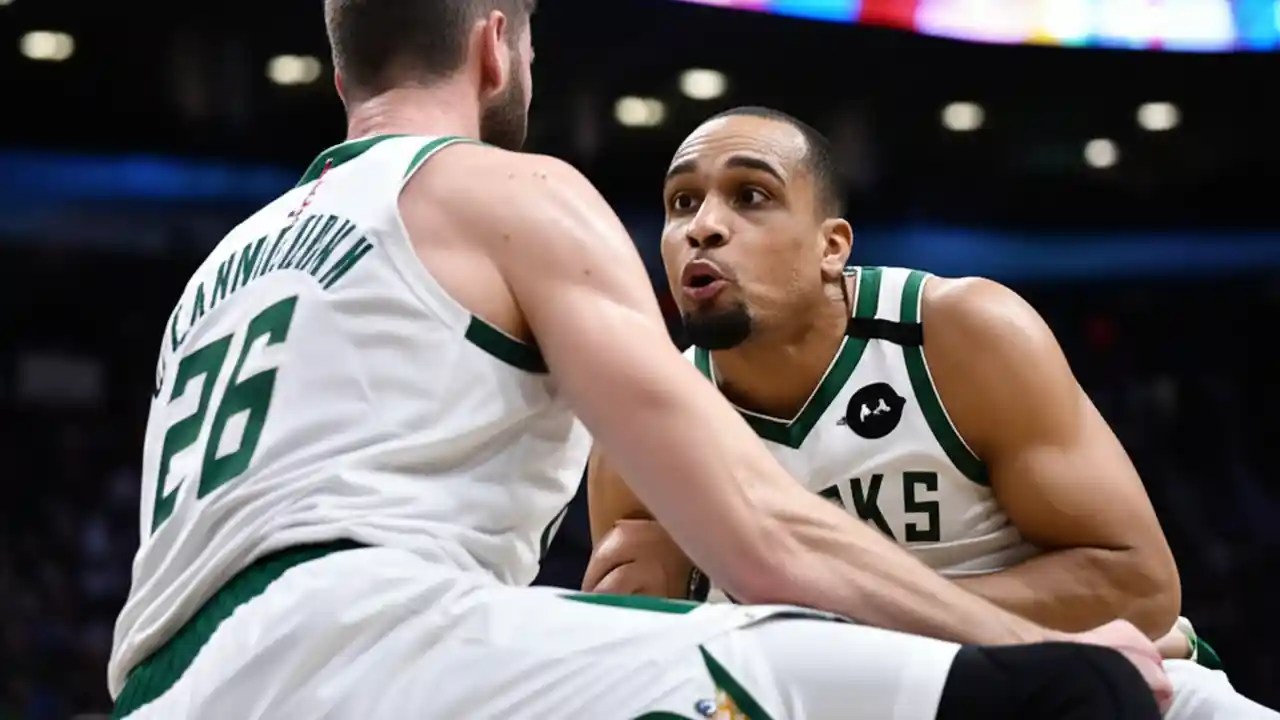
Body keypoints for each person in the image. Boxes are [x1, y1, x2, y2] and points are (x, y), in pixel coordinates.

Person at [107, 2, 1170, 717]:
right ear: (493, 48)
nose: (702, 230)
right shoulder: (509, 191)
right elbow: (762, 543)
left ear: (341, 69)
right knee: (1005, 696)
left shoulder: (222, 266)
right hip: (370, 644)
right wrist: (1025, 656)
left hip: (163, 688)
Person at [584, 106, 1279, 720]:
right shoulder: (642, 430)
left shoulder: (962, 332)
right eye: (681, 203)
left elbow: (1139, 588)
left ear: (832, 247)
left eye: (751, 196)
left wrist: (856, 623)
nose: (703, 227)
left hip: (1087, 685)